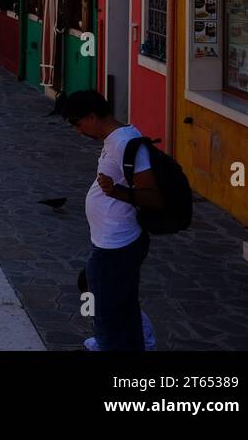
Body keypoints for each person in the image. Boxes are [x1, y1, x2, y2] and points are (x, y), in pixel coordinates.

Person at [53, 90, 162, 352]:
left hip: (117, 245)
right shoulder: (113, 141)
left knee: (107, 318)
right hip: (110, 242)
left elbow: (152, 197)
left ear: (92, 116)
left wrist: (115, 191)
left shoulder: (125, 142)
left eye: (79, 124)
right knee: (123, 311)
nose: (79, 132)